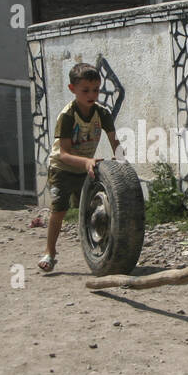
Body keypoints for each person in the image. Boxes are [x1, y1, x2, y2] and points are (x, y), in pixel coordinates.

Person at [39, 63, 118, 272]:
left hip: (85, 168)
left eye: (95, 90)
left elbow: (115, 142)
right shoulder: (67, 116)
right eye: (85, 91)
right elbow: (63, 153)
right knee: (59, 210)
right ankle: (50, 252)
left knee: (91, 210)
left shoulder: (102, 114)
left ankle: (98, 250)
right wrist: (86, 162)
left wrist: (121, 162)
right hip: (62, 168)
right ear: (72, 89)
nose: (91, 95)